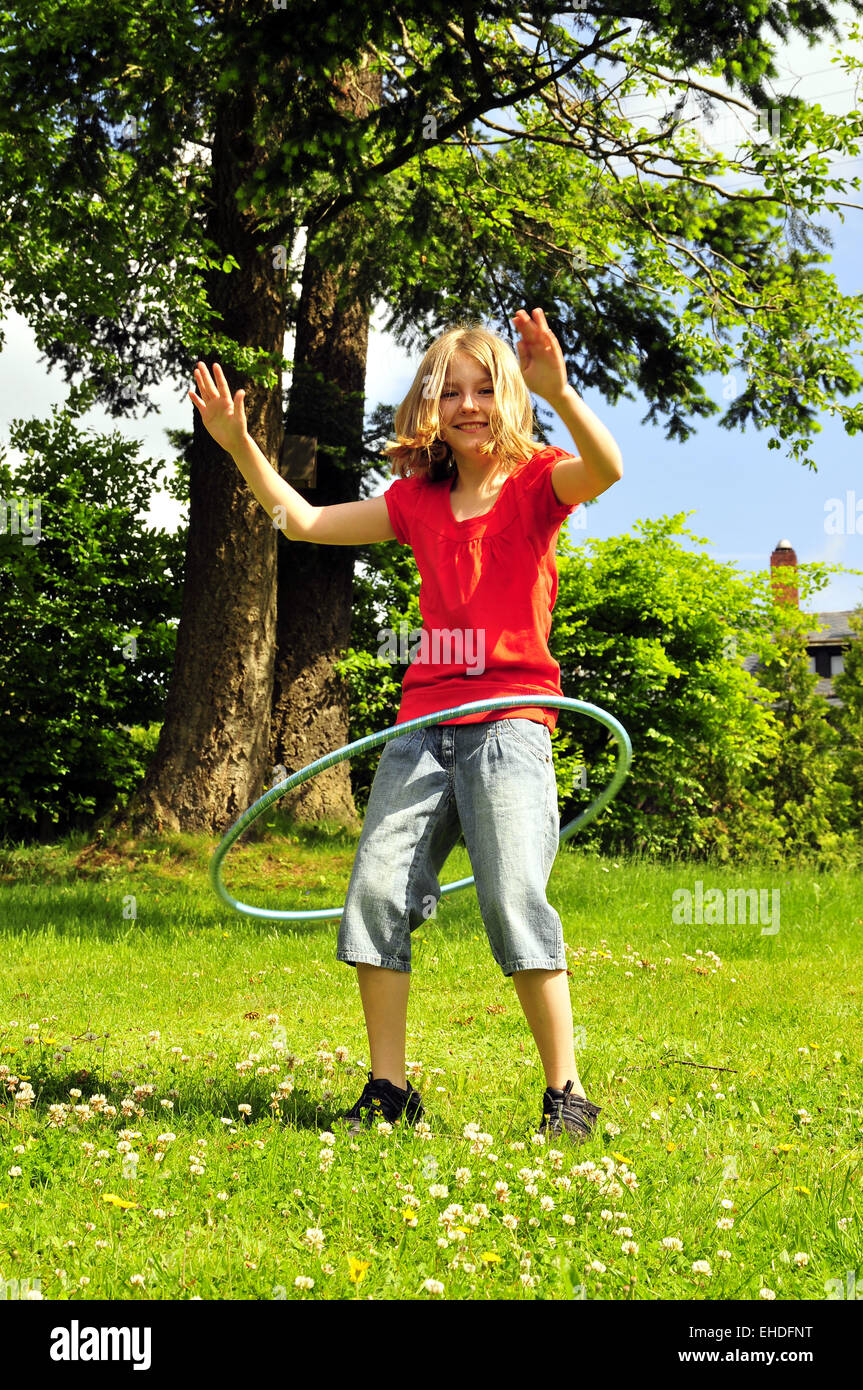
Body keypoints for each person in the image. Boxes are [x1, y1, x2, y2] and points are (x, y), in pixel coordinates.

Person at [189, 306, 623, 1144]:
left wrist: (560, 394)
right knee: (376, 893)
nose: (467, 404)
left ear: (507, 396)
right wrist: (240, 445)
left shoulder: (538, 481)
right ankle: (388, 1089)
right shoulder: (414, 502)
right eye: (449, 390)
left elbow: (605, 469)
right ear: (429, 402)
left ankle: (565, 1091)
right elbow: (304, 524)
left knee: (511, 899)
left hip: (510, 724)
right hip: (423, 724)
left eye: (483, 388)